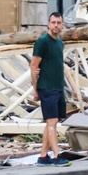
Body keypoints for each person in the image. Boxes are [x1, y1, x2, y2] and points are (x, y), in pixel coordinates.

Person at [31, 11, 71, 166]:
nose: (56, 25)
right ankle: (56, 155)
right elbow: (34, 66)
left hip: (58, 87)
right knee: (52, 121)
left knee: (52, 123)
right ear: (48, 24)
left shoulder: (60, 43)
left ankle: (43, 156)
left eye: (59, 23)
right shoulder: (42, 42)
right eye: (53, 22)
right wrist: (35, 89)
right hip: (46, 87)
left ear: (62, 25)